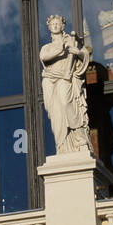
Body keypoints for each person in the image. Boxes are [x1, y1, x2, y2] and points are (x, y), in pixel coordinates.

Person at [40, 14, 91, 154]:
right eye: (52, 24)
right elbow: (44, 57)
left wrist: (78, 52)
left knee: (66, 102)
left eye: (58, 23)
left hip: (65, 78)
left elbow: (85, 55)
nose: (55, 26)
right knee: (53, 112)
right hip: (50, 79)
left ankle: (78, 138)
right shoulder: (47, 47)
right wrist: (61, 47)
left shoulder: (72, 42)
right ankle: (61, 145)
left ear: (63, 26)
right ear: (49, 28)